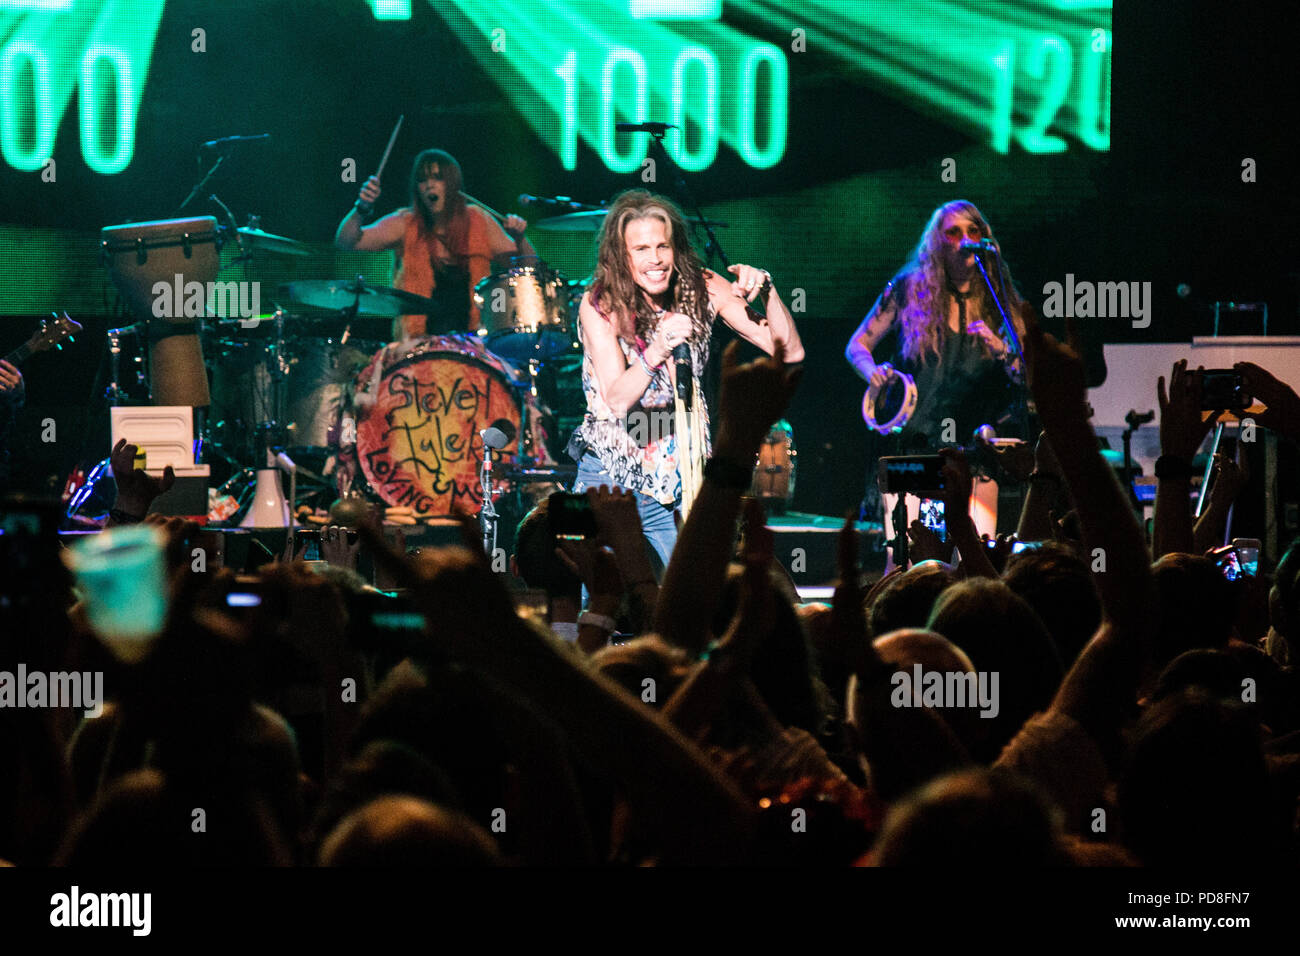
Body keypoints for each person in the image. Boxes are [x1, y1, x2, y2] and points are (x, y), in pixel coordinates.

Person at [567, 189, 804, 572]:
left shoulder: (703, 286)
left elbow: (789, 352)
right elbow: (616, 399)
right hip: (610, 474)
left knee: (693, 595)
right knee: (592, 593)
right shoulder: (601, 302)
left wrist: (769, 290)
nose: (655, 259)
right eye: (641, 249)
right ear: (621, 255)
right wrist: (657, 348)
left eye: (663, 246)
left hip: (680, 474)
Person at [845, 199, 1026, 449]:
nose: (965, 238)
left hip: (974, 449)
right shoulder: (908, 289)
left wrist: (1003, 352)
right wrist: (872, 372)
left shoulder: (998, 298)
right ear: (938, 243)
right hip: (909, 442)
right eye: (954, 232)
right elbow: (857, 344)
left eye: (972, 231)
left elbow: (1027, 374)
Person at [334, 148, 536, 339]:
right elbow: (346, 242)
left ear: (453, 184)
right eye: (422, 180)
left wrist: (520, 237)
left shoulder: (479, 220)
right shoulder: (406, 223)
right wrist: (362, 207)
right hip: (416, 348)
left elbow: (529, 267)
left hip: (474, 346)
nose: (429, 185)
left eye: (438, 178)